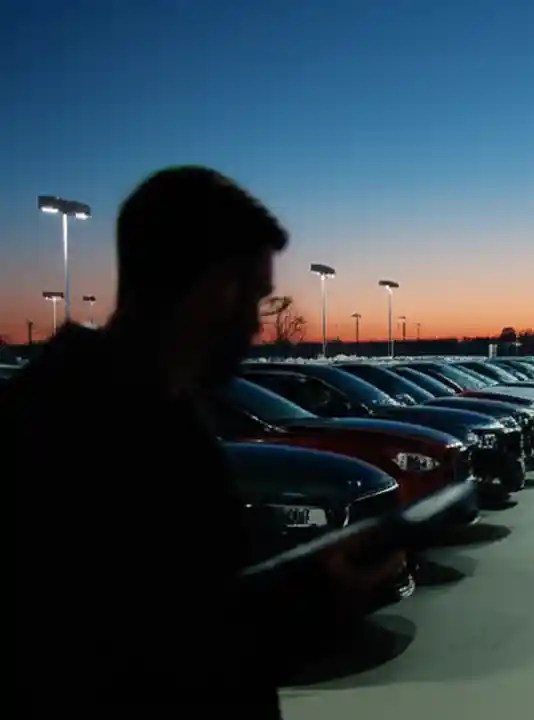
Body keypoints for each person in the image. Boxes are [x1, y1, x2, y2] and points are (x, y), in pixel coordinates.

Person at [0, 166, 404, 718]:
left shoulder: (167, 414)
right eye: (253, 299)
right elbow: (126, 663)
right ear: (211, 288)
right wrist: (312, 610)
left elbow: (192, 613)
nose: (256, 327)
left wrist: (313, 587)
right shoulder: (57, 432)